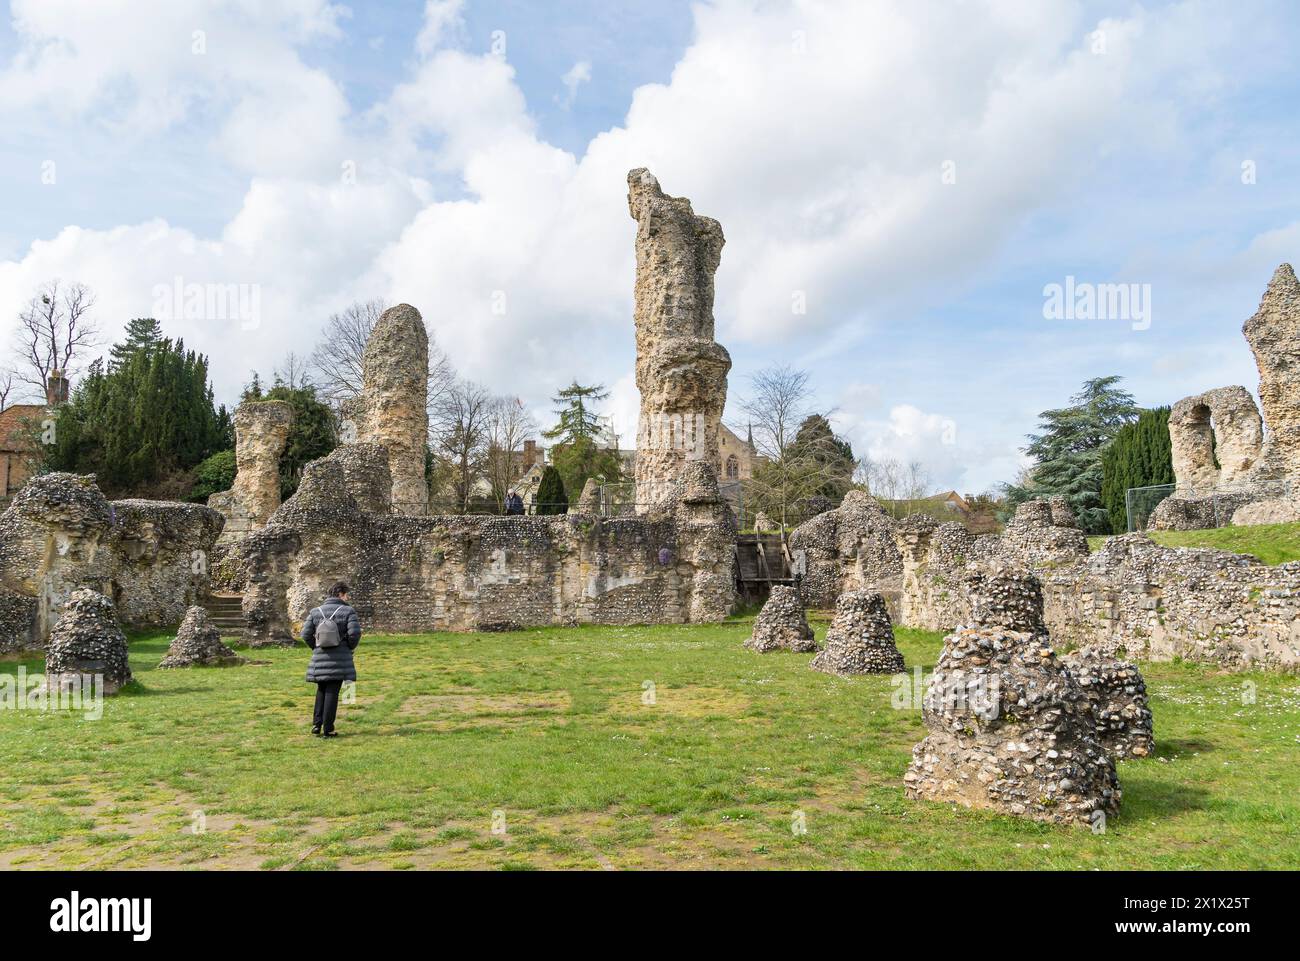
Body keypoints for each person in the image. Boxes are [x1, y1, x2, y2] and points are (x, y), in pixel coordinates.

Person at [301, 581, 362, 738]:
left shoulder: (316, 612)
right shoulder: (348, 611)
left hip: (320, 657)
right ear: (341, 594)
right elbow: (354, 634)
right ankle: (328, 728)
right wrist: (348, 647)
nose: (347, 597)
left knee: (321, 690)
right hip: (340, 658)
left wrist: (316, 647)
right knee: (332, 692)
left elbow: (305, 634)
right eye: (346, 594)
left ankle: (316, 724)